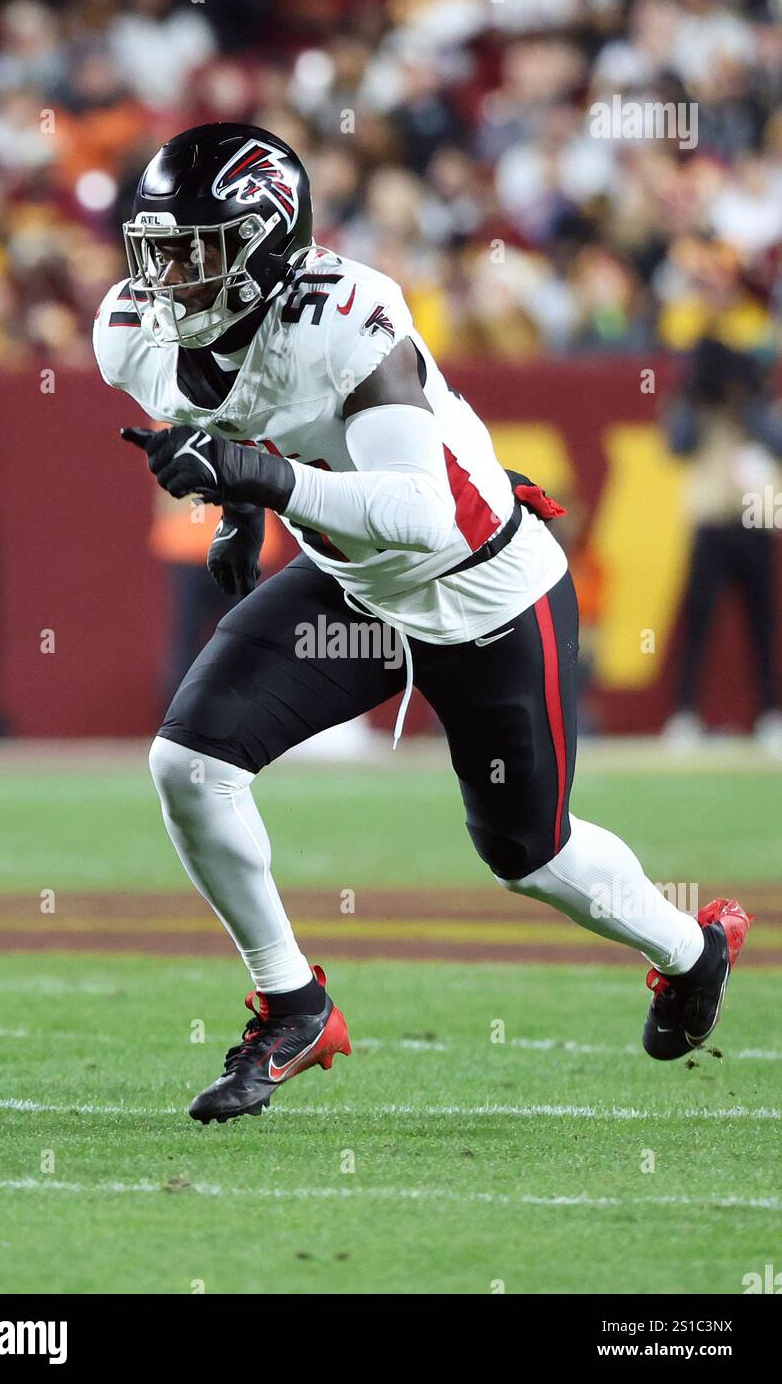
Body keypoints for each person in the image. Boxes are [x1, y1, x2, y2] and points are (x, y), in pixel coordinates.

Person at [93, 123, 752, 1126]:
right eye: (158, 252)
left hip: (479, 588)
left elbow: (423, 511)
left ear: (268, 242)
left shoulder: (345, 315)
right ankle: (292, 1005)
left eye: (197, 251)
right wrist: (240, 502)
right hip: (353, 589)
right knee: (190, 763)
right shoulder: (133, 332)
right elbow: (237, 414)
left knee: (528, 855)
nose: (169, 280)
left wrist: (259, 484)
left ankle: (686, 950)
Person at [662, 339, 782, 749]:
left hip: (755, 521)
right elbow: (677, 445)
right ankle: (685, 715)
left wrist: (745, 403)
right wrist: (697, 400)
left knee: (762, 623)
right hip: (711, 523)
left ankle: (770, 714)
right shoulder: (697, 406)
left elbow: (776, 442)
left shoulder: (761, 407)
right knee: (697, 623)